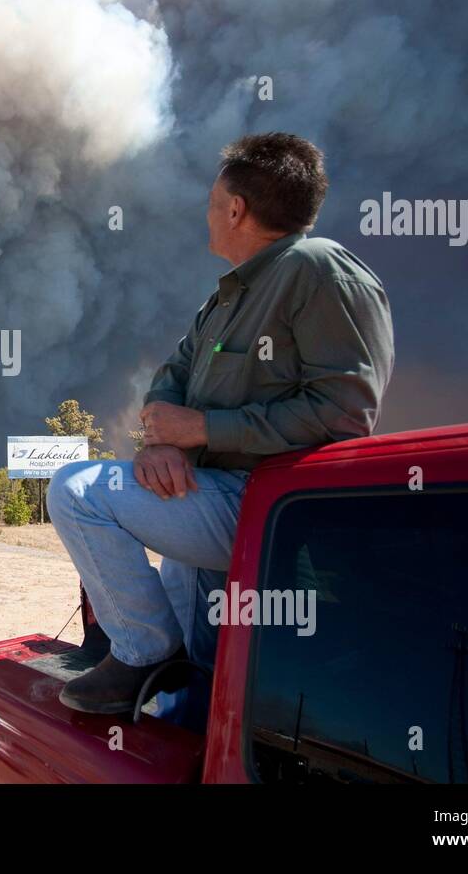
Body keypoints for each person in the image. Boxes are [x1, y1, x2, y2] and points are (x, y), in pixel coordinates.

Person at [47, 132, 394, 714]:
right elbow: (174, 373)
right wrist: (166, 443)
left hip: (270, 504)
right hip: (208, 491)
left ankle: (142, 654)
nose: (206, 213)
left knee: (77, 491)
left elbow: (345, 413)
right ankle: (179, 705)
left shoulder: (319, 269)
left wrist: (203, 430)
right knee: (198, 680)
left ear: (236, 209)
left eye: (213, 201)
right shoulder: (229, 297)